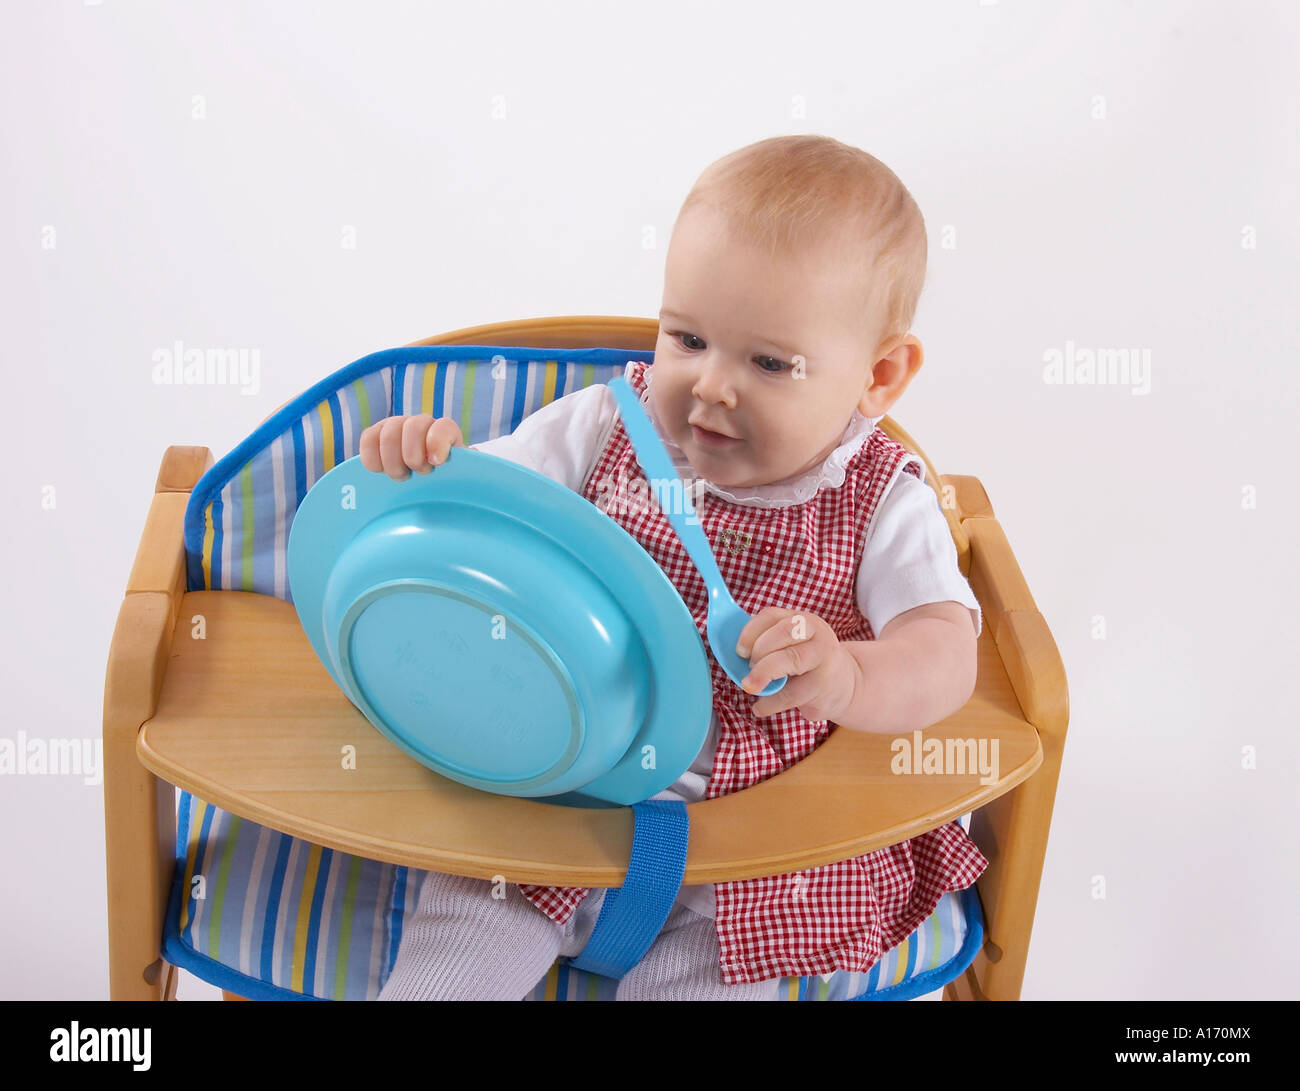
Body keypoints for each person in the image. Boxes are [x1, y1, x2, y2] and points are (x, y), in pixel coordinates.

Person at [366, 134, 988, 1000]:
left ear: (880, 375)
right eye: (688, 338)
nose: (710, 386)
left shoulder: (884, 499)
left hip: (760, 862)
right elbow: (480, 524)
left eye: (770, 362)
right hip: (561, 793)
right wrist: (428, 464)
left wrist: (849, 675)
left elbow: (946, 652)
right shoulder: (600, 426)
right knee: (464, 936)